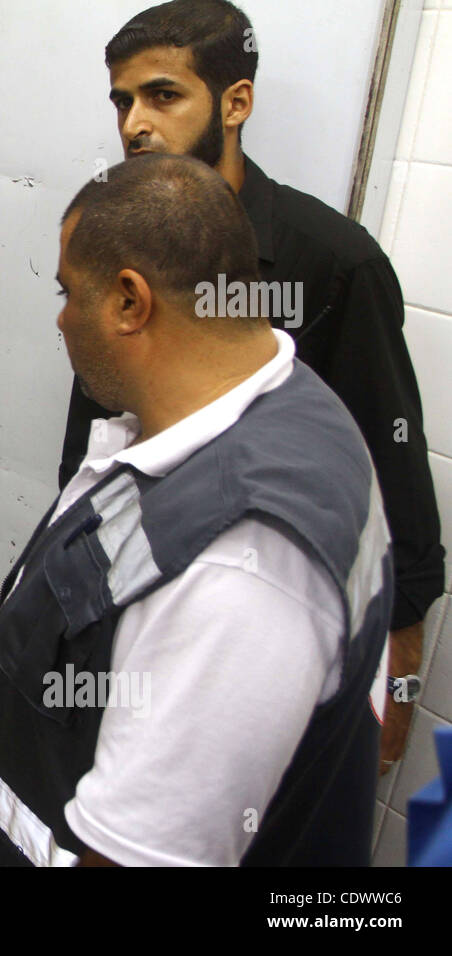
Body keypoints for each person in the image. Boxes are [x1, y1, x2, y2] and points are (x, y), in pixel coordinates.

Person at [0, 154, 393, 866]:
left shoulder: (242, 567)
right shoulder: (270, 411)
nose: (61, 319)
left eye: (67, 293)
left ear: (129, 301)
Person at [58, 0, 442, 772]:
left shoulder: (333, 262)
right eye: (122, 101)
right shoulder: (117, 236)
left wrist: (392, 698)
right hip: (124, 601)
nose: (135, 122)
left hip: (250, 629)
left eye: (162, 95)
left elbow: (394, 479)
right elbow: (94, 432)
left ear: (236, 102)